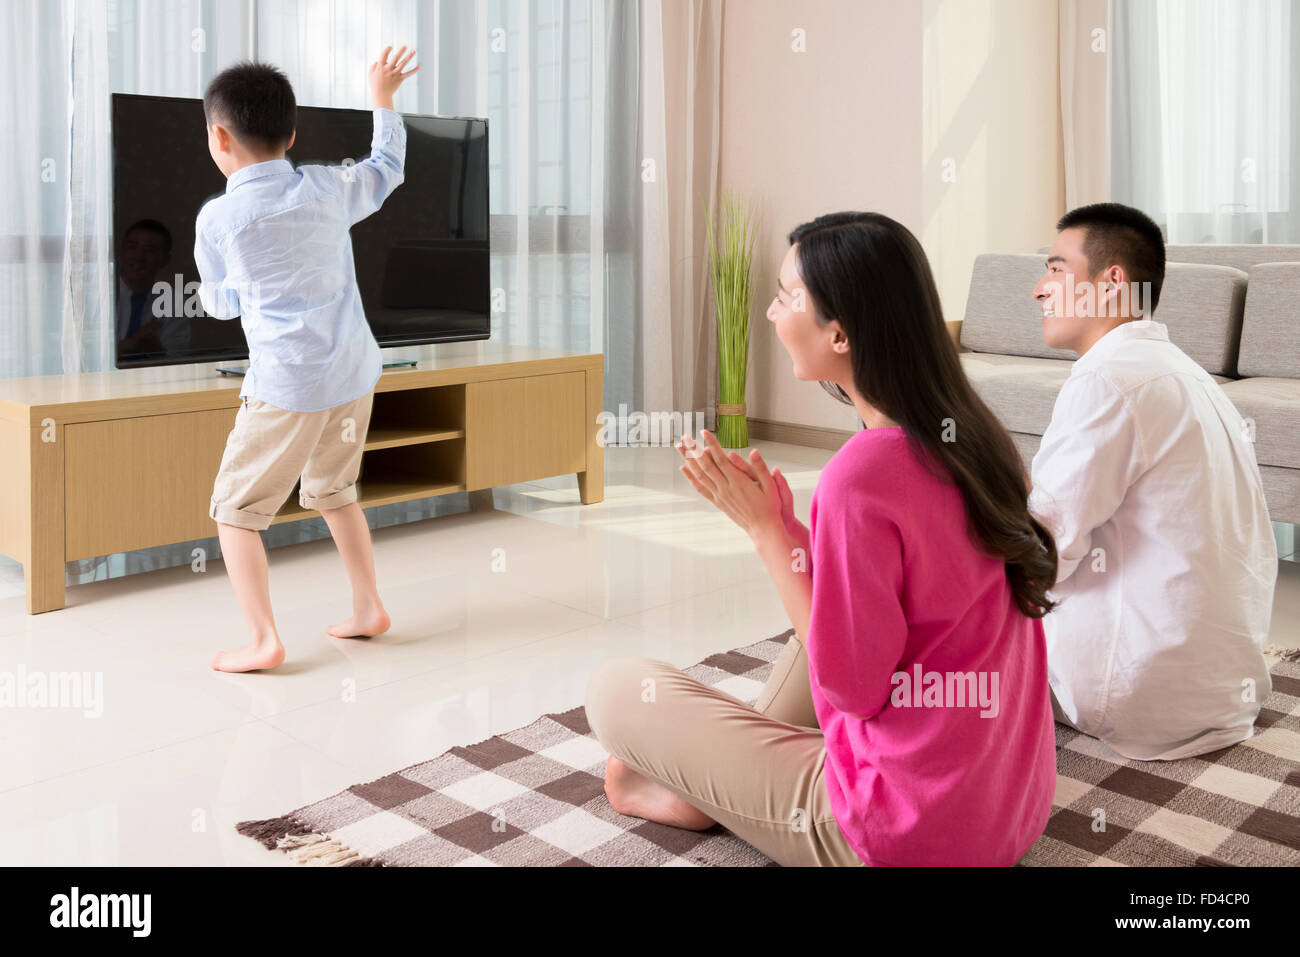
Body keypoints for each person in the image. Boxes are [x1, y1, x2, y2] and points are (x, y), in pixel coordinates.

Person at [584, 211, 1060, 866]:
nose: (774, 313)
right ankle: (720, 785)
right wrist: (789, 530)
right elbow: (910, 600)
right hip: (1009, 813)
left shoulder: (861, 473)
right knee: (819, 619)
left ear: (839, 332)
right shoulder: (977, 439)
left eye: (786, 297)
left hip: (901, 832)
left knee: (616, 687)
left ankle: (714, 789)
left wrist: (762, 534)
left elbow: (852, 687)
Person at [195, 48, 419, 672]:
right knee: (335, 490)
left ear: (219, 135)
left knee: (236, 513)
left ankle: (264, 640)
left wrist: (242, 288)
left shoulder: (218, 219)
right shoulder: (326, 185)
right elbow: (386, 167)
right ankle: (368, 606)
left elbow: (217, 305)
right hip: (353, 373)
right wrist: (382, 96)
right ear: (291, 135)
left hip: (286, 386)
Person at [1030, 202, 1277, 760]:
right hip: (1215, 692)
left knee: (922, 619)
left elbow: (1039, 555)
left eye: (1055, 268)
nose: (1039, 289)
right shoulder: (1187, 374)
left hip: (1133, 701)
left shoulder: (1106, 378)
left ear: (1112, 281)